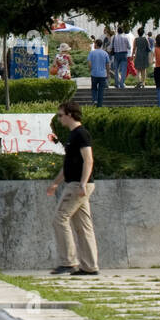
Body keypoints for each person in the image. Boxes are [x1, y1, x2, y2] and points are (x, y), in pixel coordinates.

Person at [47, 102, 97, 276]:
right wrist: (56, 182)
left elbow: (88, 160)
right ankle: (89, 266)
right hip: (75, 183)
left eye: (60, 115)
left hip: (78, 185)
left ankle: (68, 262)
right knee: (83, 225)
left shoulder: (81, 134)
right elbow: (68, 164)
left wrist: (83, 183)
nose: (59, 118)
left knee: (59, 218)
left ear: (70, 114)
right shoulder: (73, 135)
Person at [86, 39, 109, 107]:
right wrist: (107, 73)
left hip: (94, 74)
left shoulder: (92, 53)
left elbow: (89, 63)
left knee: (94, 88)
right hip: (103, 75)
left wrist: (90, 69)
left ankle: (94, 100)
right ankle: (100, 105)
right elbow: (107, 64)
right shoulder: (105, 53)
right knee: (101, 90)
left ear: (96, 44)